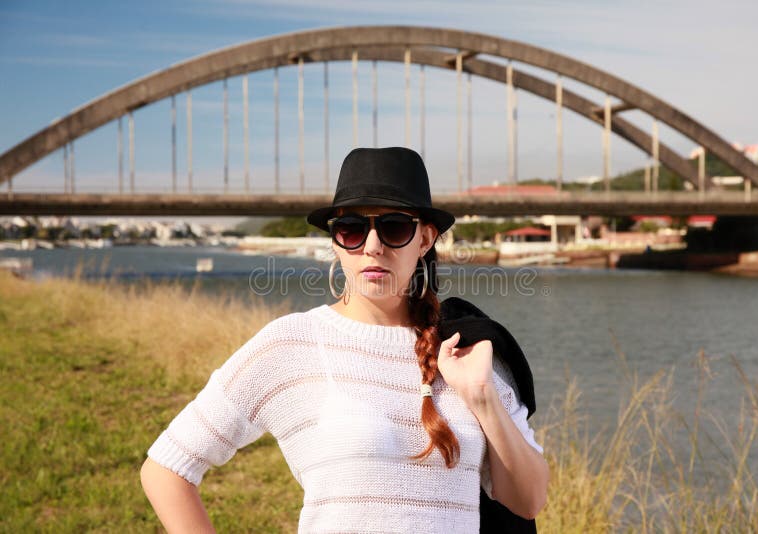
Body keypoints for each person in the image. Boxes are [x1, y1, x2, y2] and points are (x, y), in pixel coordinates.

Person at [140, 147, 549, 532]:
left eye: (394, 228)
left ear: (424, 239)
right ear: (336, 242)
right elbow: (166, 468)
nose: (372, 247)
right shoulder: (292, 345)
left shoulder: (465, 347)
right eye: (352, 229)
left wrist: (482, 399)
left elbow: (528, 501)